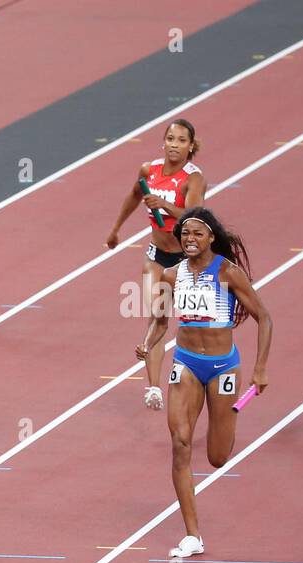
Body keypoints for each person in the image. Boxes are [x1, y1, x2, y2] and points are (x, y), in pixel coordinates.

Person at [137, 208, 272, 558]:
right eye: (185, 233)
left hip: (223, 368)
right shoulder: (171, 275)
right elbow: (160, 321)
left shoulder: (228, 272)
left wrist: (260, 369)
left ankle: (226, 419)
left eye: (197, 233)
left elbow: (264, 317)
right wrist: (147, 343)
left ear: (211, 237)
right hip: (186, 363)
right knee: (180, 444)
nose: (190, 239)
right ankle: (192, 536)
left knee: (217, 457)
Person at [106, 119, 206, 409]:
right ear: (163, 142)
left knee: (195, 325)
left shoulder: (193, 178)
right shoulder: (148, 171)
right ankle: (153, 388)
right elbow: (133, 196)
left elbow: (195, 215)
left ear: (190, 146)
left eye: (182, 140)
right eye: (170, 139)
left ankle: (200, 377)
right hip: (157, 257)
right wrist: (115, 229)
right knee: (158, 316)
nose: (175, 145)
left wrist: (165, 206)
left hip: (187, 261)